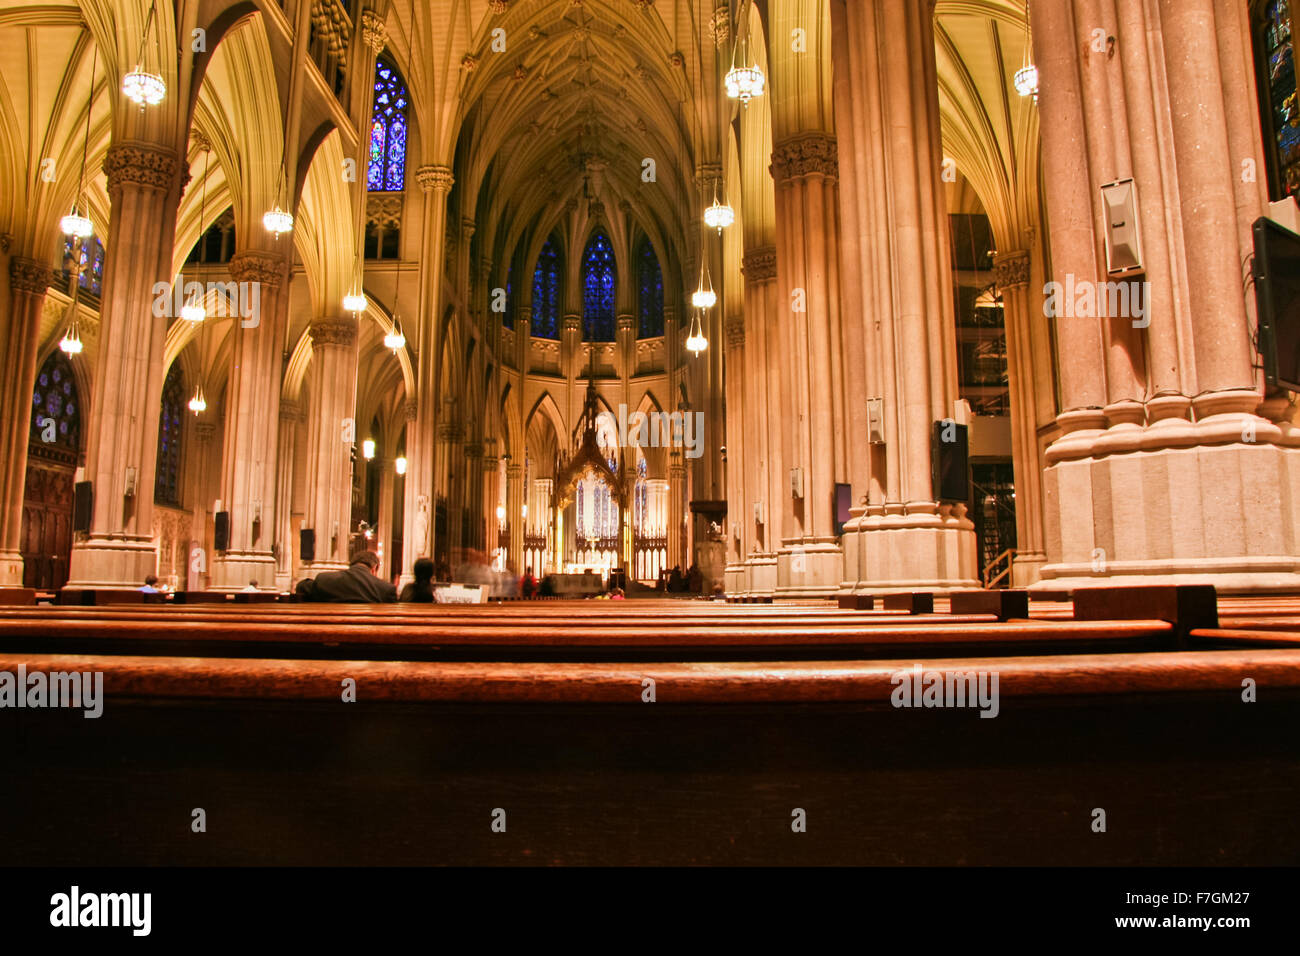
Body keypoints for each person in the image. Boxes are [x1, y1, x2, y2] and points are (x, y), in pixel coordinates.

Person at [297, 549, 397, 603]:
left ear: (352, 564)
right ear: (374, 568)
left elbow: (301, 586)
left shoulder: (324, 580)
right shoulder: (386, 589)